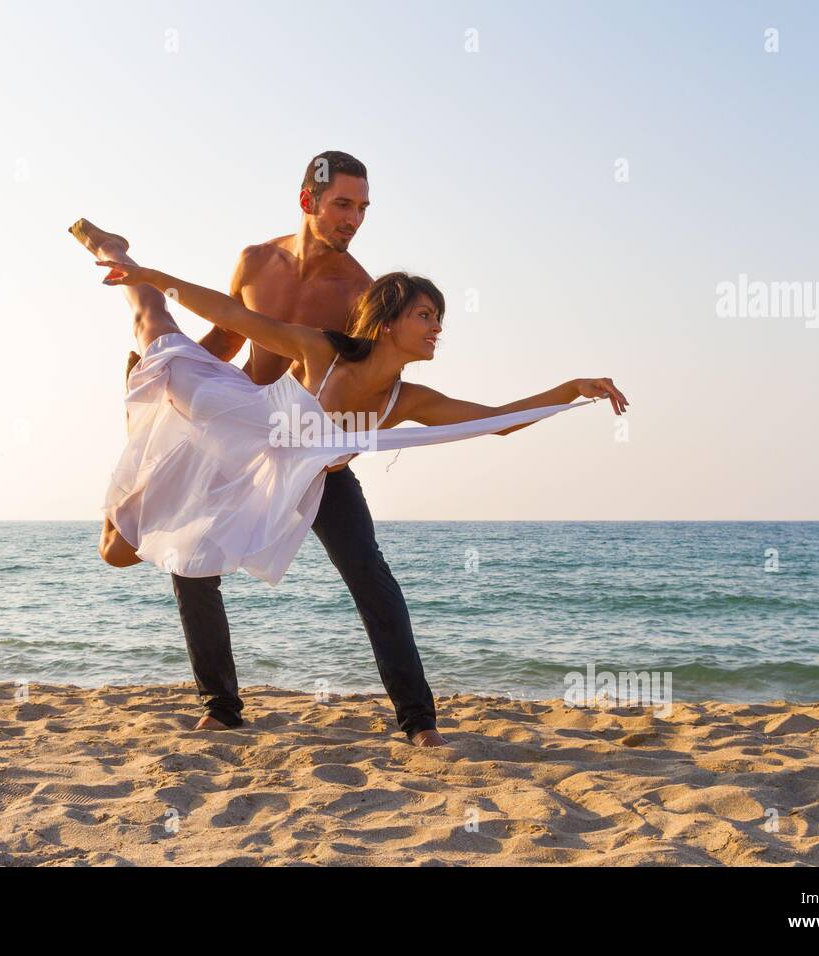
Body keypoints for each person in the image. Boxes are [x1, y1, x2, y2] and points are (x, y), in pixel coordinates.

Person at [70, 212, 628, 747]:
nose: (438, 327)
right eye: (425, 315)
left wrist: (568, 390)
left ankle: (418, 721)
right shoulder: (321, 352)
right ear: (388, 323)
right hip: (234, 431)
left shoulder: (406, 398)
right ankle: (118, 253)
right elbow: (234, 315)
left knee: (370, 576)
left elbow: (495, 422)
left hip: (312, 473)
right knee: (157, 335)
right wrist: (153, 277)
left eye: (439, 317)